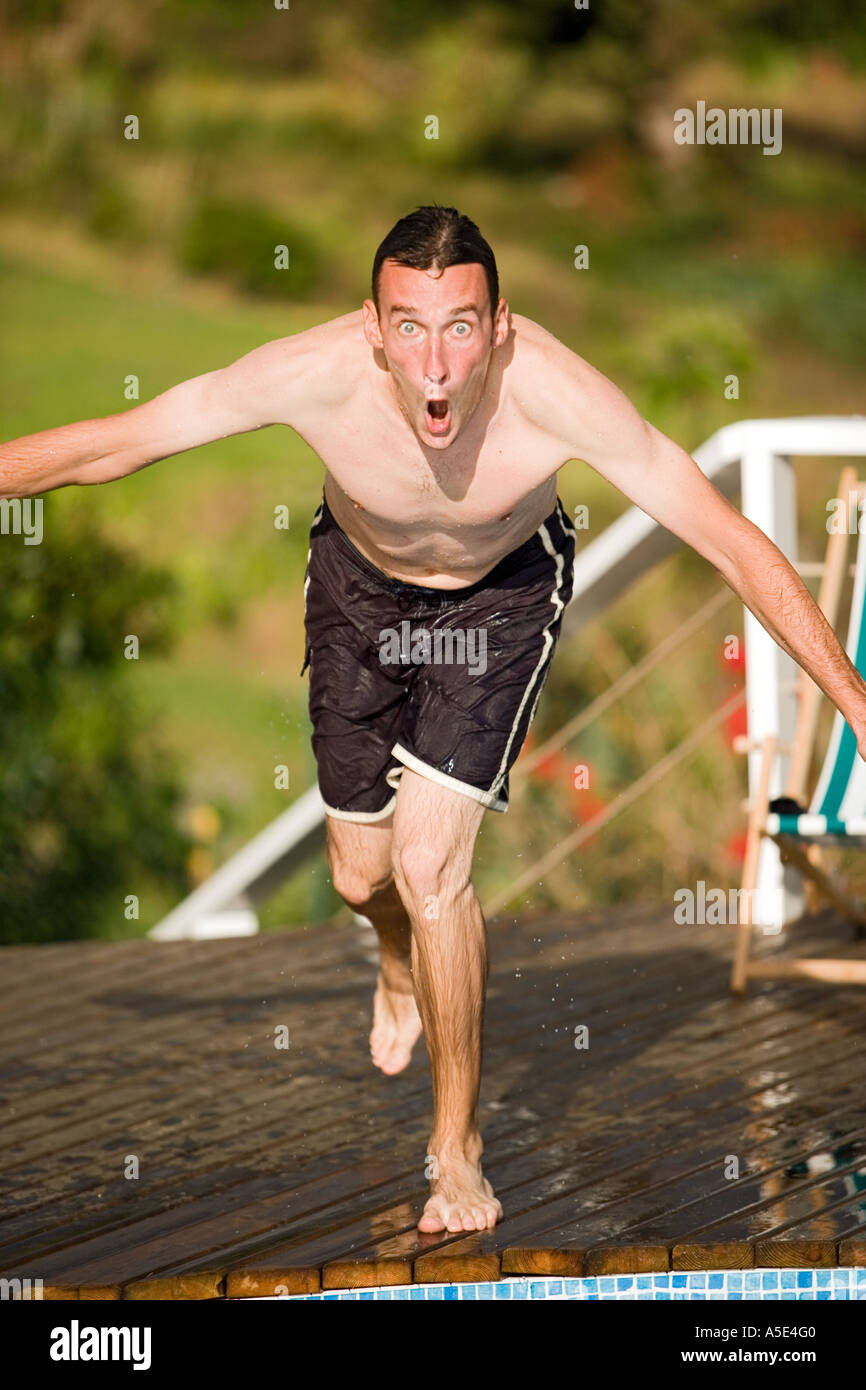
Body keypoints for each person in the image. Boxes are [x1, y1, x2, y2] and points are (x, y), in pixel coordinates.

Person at [4, 204, 866, 1235]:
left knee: (429, 865)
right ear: (372, 328)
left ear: (499, 324)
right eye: (409, 327)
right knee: (360, 877)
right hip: (357, 594)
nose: (435, 363)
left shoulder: (558, 395)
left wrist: (855, 704)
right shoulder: (310, 372)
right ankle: (396, 960)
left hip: (501, 598)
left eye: (460, 326)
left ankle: (455, 1147)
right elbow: (119, 443)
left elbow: (730, 545)